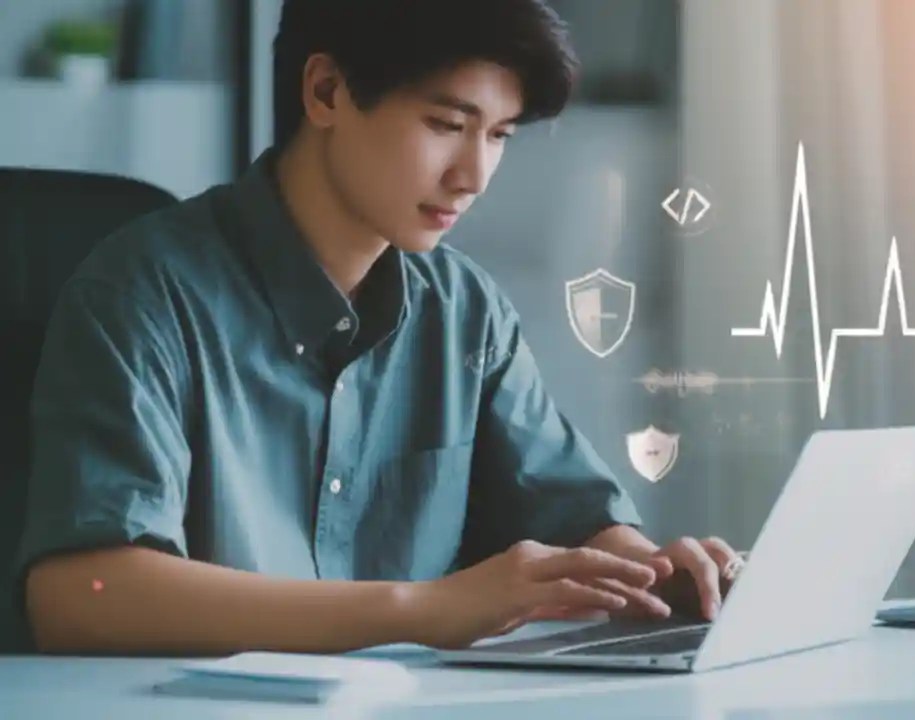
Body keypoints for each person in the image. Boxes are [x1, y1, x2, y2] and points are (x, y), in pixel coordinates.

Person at [15, 0, 740, 655]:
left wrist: (654, 575)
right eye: (447, 126)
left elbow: (576, 519)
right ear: (325, 91)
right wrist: (418, 609)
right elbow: (83, 595)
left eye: (500, 135)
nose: (475, 174)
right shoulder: (144, 292)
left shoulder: (466, 313)